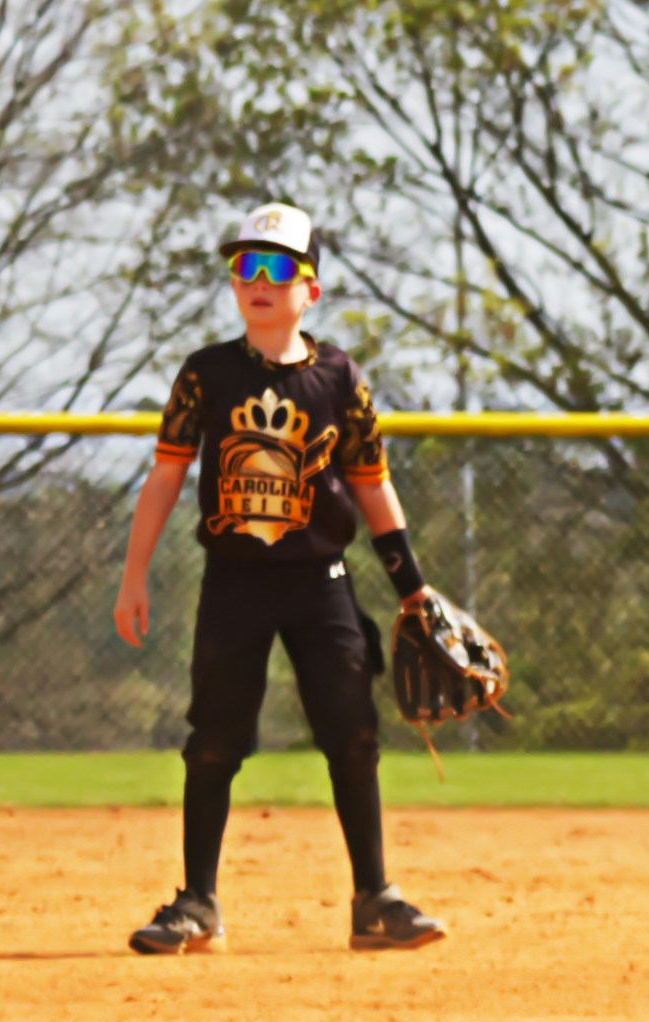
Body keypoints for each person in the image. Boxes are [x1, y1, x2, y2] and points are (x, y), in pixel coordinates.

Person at [107, 202, 446, 955]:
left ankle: (374, 897)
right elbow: (164, 479)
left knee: (352, 734)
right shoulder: (206, 374)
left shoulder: (340, 379)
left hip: (320, 581)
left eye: (278, 267)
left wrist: (411, 585)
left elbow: (372, 486)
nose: (258, 281)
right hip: (234, 580)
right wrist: (134, 576)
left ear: (311, 289)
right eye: (245, 267)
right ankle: (197, 903)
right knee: (214, 741)